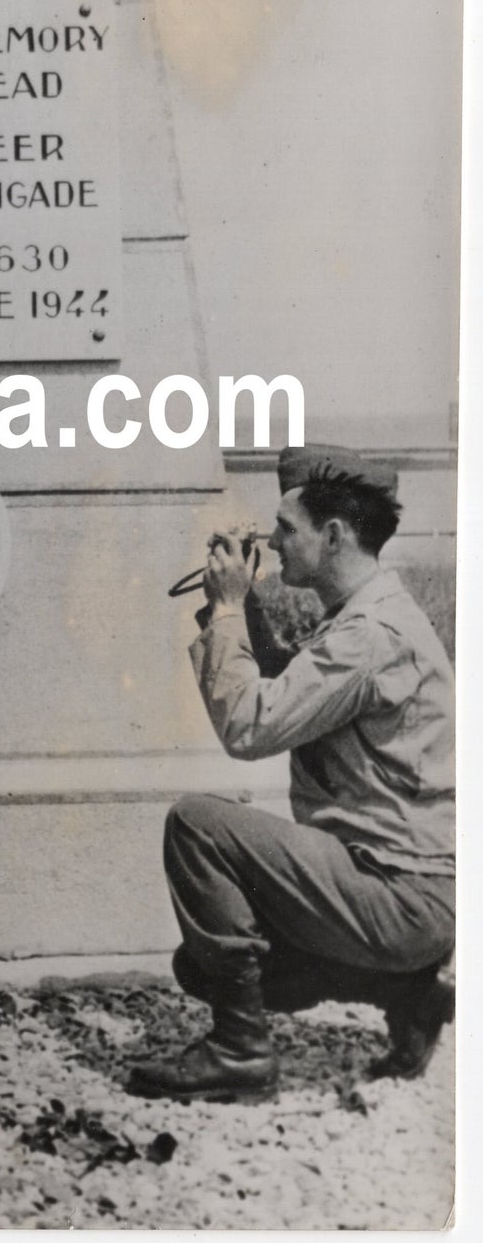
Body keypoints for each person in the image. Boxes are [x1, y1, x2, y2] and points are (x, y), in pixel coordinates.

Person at [129, 444, 455, 1103]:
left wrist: (225, 609)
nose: (271, 540)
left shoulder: (371, 635)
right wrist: (240, 603)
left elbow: (249, 727)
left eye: (285, 527)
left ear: (333, 535)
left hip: (402, 895)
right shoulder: (367, 615)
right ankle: (406, 990)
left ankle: (239, 1053)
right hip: (405, 891)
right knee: (202, 964)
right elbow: (289, 681)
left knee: (197, 825)